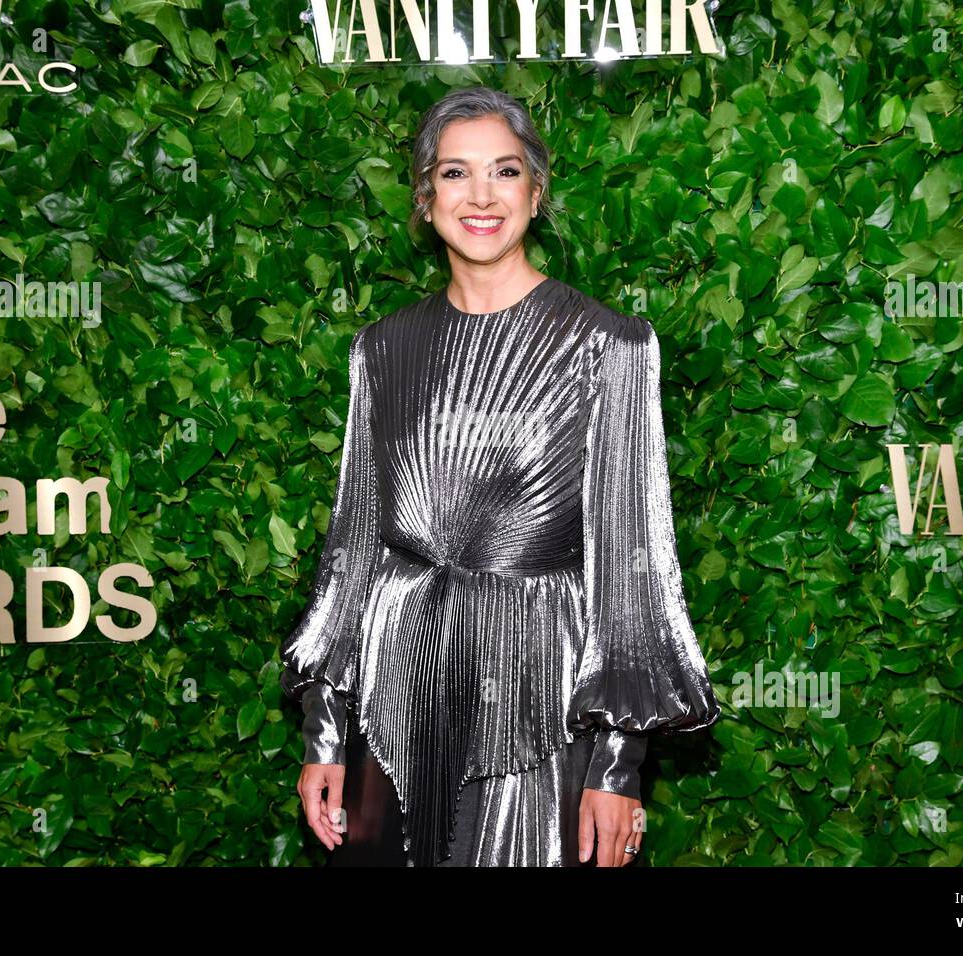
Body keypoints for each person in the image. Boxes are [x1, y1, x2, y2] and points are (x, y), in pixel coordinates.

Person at [281, 85, 720, 868]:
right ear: (424, 198)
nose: (481, 196)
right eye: (455, 174)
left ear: (537, 192)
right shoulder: (380, 349)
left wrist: (617, 765)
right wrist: (325, 730)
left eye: (505, 172)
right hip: (396, 701)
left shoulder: (609, 347)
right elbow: (352, 555)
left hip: (542, 712)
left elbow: (631, 571)